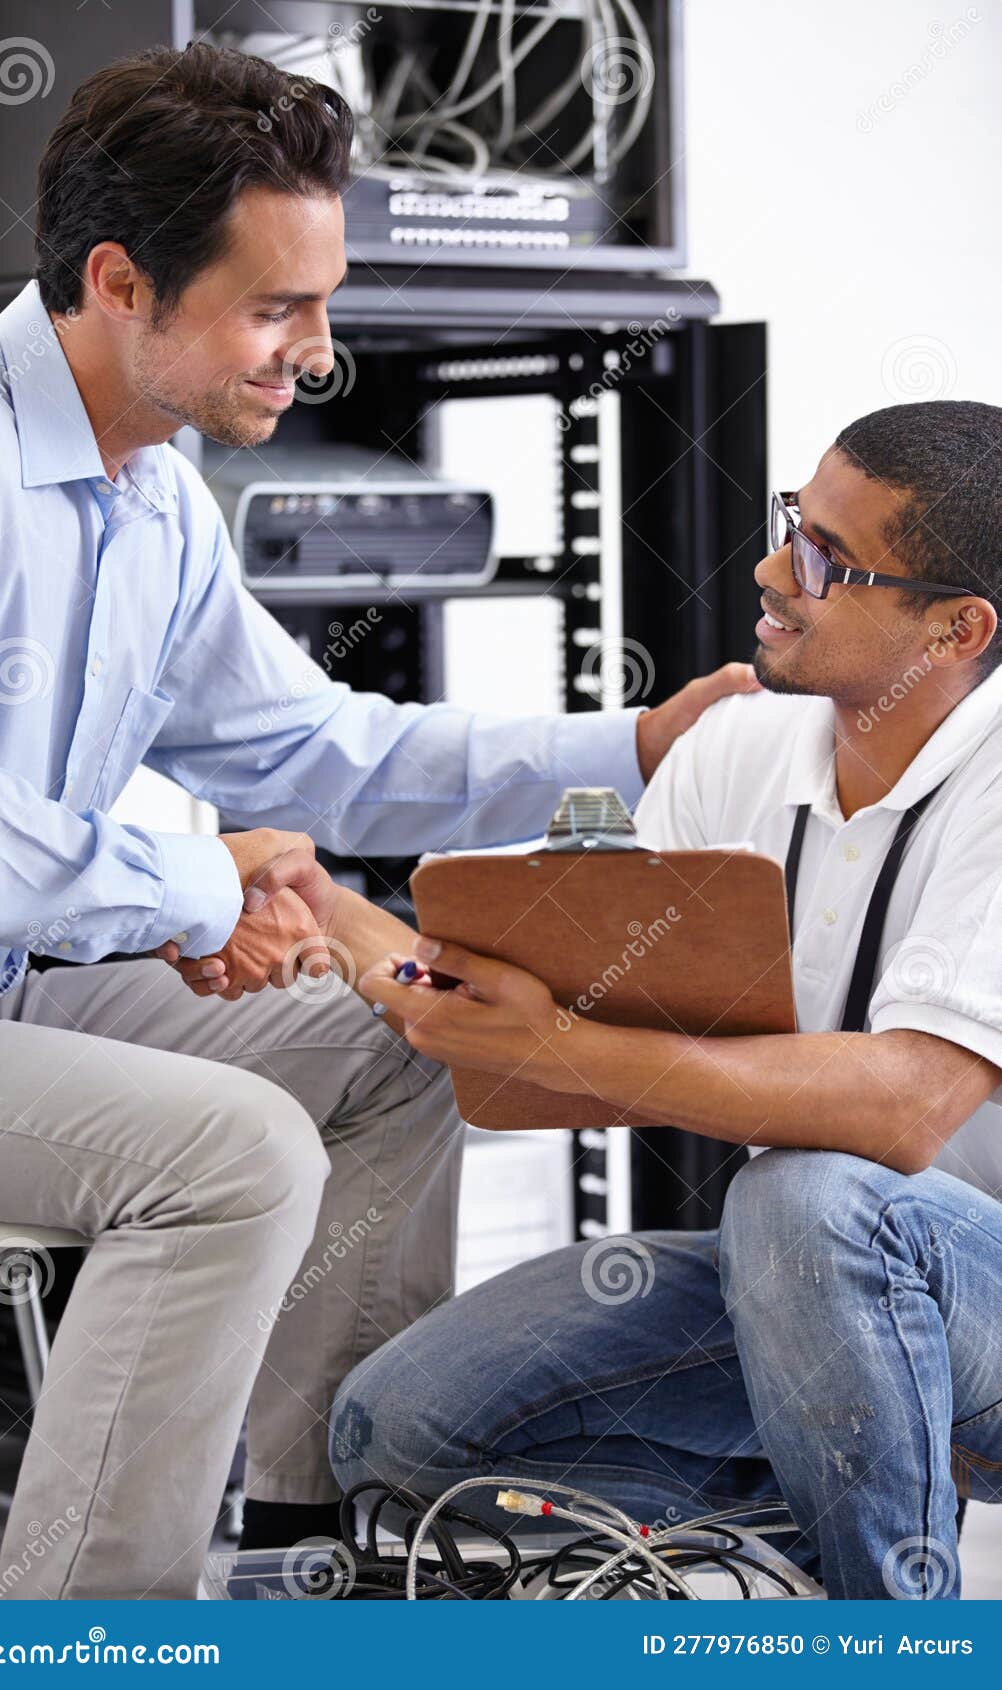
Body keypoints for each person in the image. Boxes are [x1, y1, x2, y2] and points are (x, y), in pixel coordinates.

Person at [0, 42, 747, 1599]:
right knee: (234, 1152)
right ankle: (88, 1634)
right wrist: (198, 885)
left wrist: (641, 744)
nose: (317, 356)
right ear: (119, 281)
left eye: (323, 304)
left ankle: (317, 1553)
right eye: (276, 309)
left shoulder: (153, 496)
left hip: (0, 991)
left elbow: (323, 751)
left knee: (400, 1033)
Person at [336, 400, 1002, 1601]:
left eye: (825, 560)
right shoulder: (734, 748)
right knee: (400, 1428)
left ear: (957, 628)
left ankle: (896, 1636)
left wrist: (559, 1041)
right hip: (821, 1287)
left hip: (929, 1274)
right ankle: (818, 1520)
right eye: (790, 524)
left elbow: (904, 1108)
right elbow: (563, 1028)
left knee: (802, 1195)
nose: (769, 573)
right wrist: (344, 928)